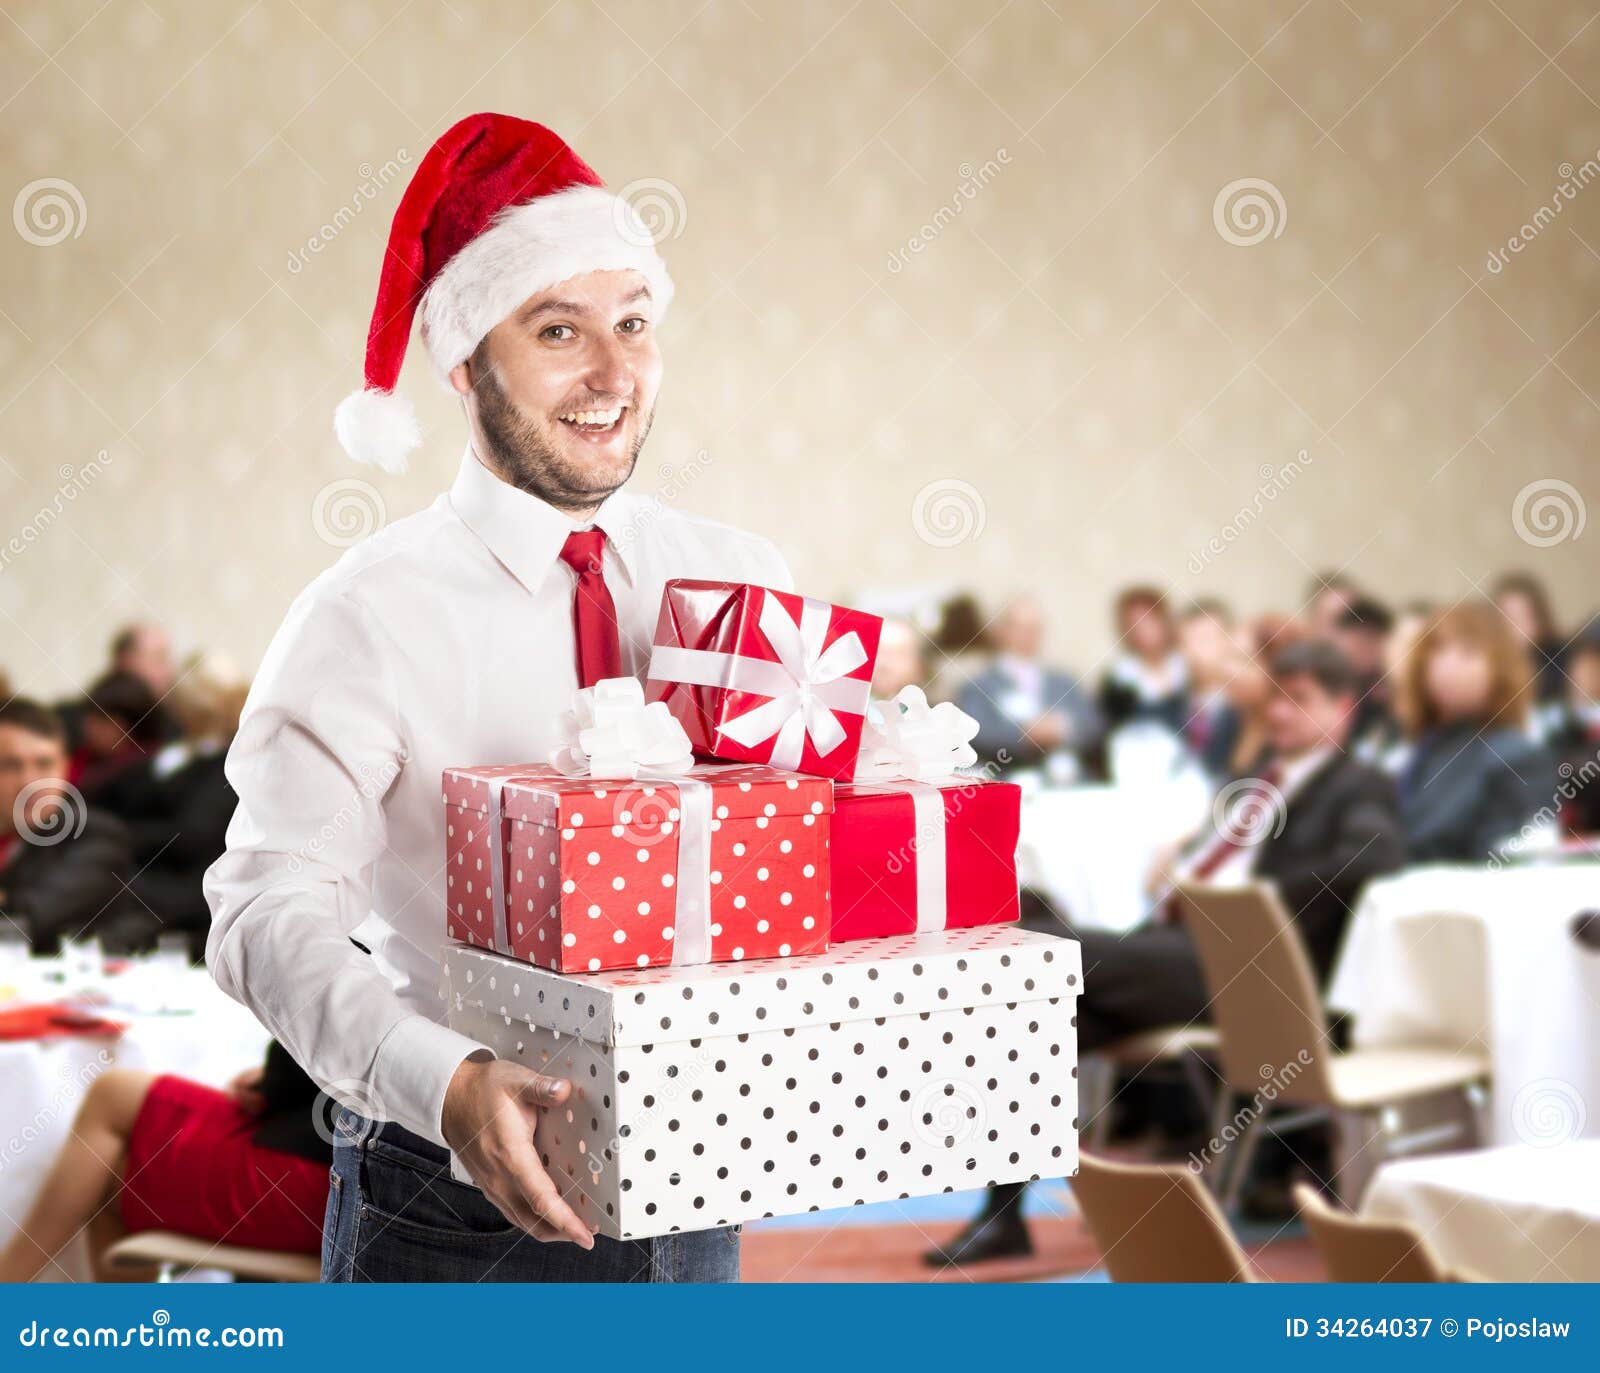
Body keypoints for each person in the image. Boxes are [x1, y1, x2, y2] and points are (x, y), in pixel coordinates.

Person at [205, 114, 792, 1284]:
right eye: (558, 331)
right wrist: (448, 1081)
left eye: (633, 324)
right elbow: (263, 916)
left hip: (697, 1175)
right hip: (451, 1194)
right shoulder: (363, 615)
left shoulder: (740, 578)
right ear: (466, 359)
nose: (614, 375)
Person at [928, 640, 1403, 1265]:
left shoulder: (1357, 783)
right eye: (1276, 700)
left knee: (1043, 947)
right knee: (1041, 1010)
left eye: (1301, 701)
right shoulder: (1261, 779)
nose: (1282, 714)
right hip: (1186, 953)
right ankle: (1002, 1213)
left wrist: (1238, 896)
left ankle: (978, 987)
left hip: (1257, 971)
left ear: (1344, 708)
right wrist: (1187, 862)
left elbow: (1371, 860)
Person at [0, 1042, 329, 1282]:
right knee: (114, 1175)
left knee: (114, 1095)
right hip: (345, 1176)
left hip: (329, 1184)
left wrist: (273, 1080)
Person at [1395, 602, 1556, 862]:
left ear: (1500, 668)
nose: (1448, 666)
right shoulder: (1425, 751)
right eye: (1437, 651)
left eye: (1467, 653)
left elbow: (1505, 857)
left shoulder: (1515, 756)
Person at [113, 655, 249, 957]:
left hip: (192, 890)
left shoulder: (227, 765)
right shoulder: (170, 755)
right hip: (152, 877)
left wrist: (121, 836)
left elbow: (191, 836)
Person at [0, 697, 134, 954]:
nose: (28, 781)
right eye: (11, 765)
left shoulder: (96, 834)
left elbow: (32, 918)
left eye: (43, 764)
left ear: (65, 768)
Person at [956, 594, 1101, 779]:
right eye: (1020, 628)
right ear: (1001, 630)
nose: (1028, 635)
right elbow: (975, 734)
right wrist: (1024, 734)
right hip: (1009, 779)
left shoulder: (1063, 681)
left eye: (1034, 629)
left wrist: (1063, 729)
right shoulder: (979, 685)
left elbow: (1094, 726)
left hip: (1067, 782)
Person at [1097, 586, 1187, 737]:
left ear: (1165, 622)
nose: (1142, 630)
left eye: (1148, 620)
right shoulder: (1118, 677)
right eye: (1133, 624)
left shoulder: (1189, 667)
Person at [1333, 596, 1399, 760]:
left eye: (1370, 638)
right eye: (1354, 638)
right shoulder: (1333, 690)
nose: (1360, 647)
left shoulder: (1392, 698)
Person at [1176, 599, 1236, 778]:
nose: (1194, 651)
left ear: (1230, 642)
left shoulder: (1248, 712)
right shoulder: (1170, 708)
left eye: (1205, 640)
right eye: (1185, 642)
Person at [1492, 572, 1567, 705]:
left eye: (1522, 617)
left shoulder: (1564, 662)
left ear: (1540, 619)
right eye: (1506, 618)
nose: (1514, 627)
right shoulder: (1489, 667)